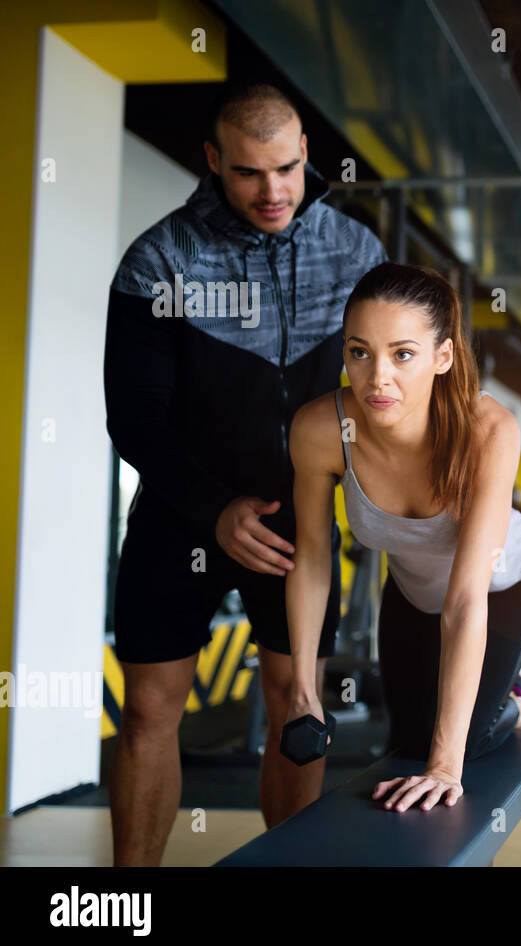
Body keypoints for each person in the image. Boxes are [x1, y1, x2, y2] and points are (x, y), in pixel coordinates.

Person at [104, 82, 387, 865]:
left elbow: (385, 388)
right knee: (151, 712)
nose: (274, 191)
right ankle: (131, 895)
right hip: (176, 514)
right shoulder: (160, 258)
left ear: (307, 157)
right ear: (213, 162)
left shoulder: (358, 252)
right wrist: (213, 508)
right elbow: (135, 417)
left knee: (296, 706)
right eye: (249, 173)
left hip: (300, 522)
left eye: (289, 169)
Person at [285, 262, 521, 813]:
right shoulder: (321, 431)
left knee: (458, 749)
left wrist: (446, 764)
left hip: (504, 588)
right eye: (359, 352)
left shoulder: (488, 429)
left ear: (444, 356)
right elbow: (313, 561)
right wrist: (302, 687)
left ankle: (515, 699)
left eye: (402, 354)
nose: (377, 377)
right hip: (410, 592)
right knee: (405, 749)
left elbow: (464, 598)